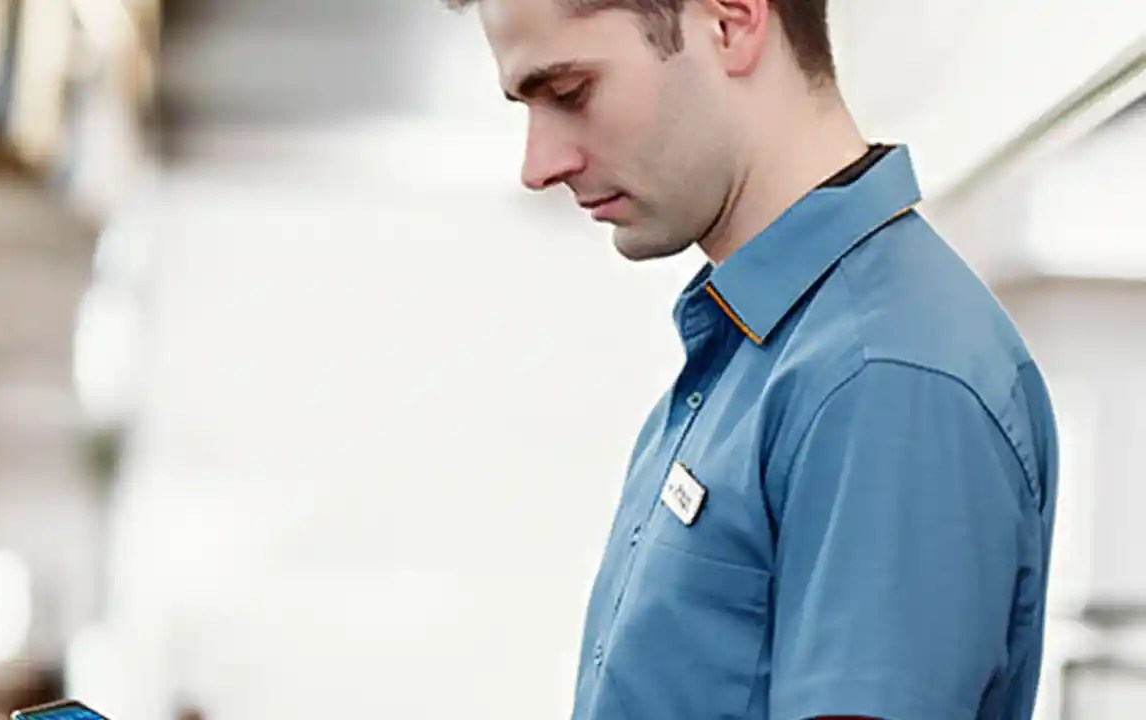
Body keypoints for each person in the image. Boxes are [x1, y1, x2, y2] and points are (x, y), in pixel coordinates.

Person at [442, 1, 1059, 718]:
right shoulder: (756, 351)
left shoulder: (884, 379)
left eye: (570, 93)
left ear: (730, 23)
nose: (539, 166)